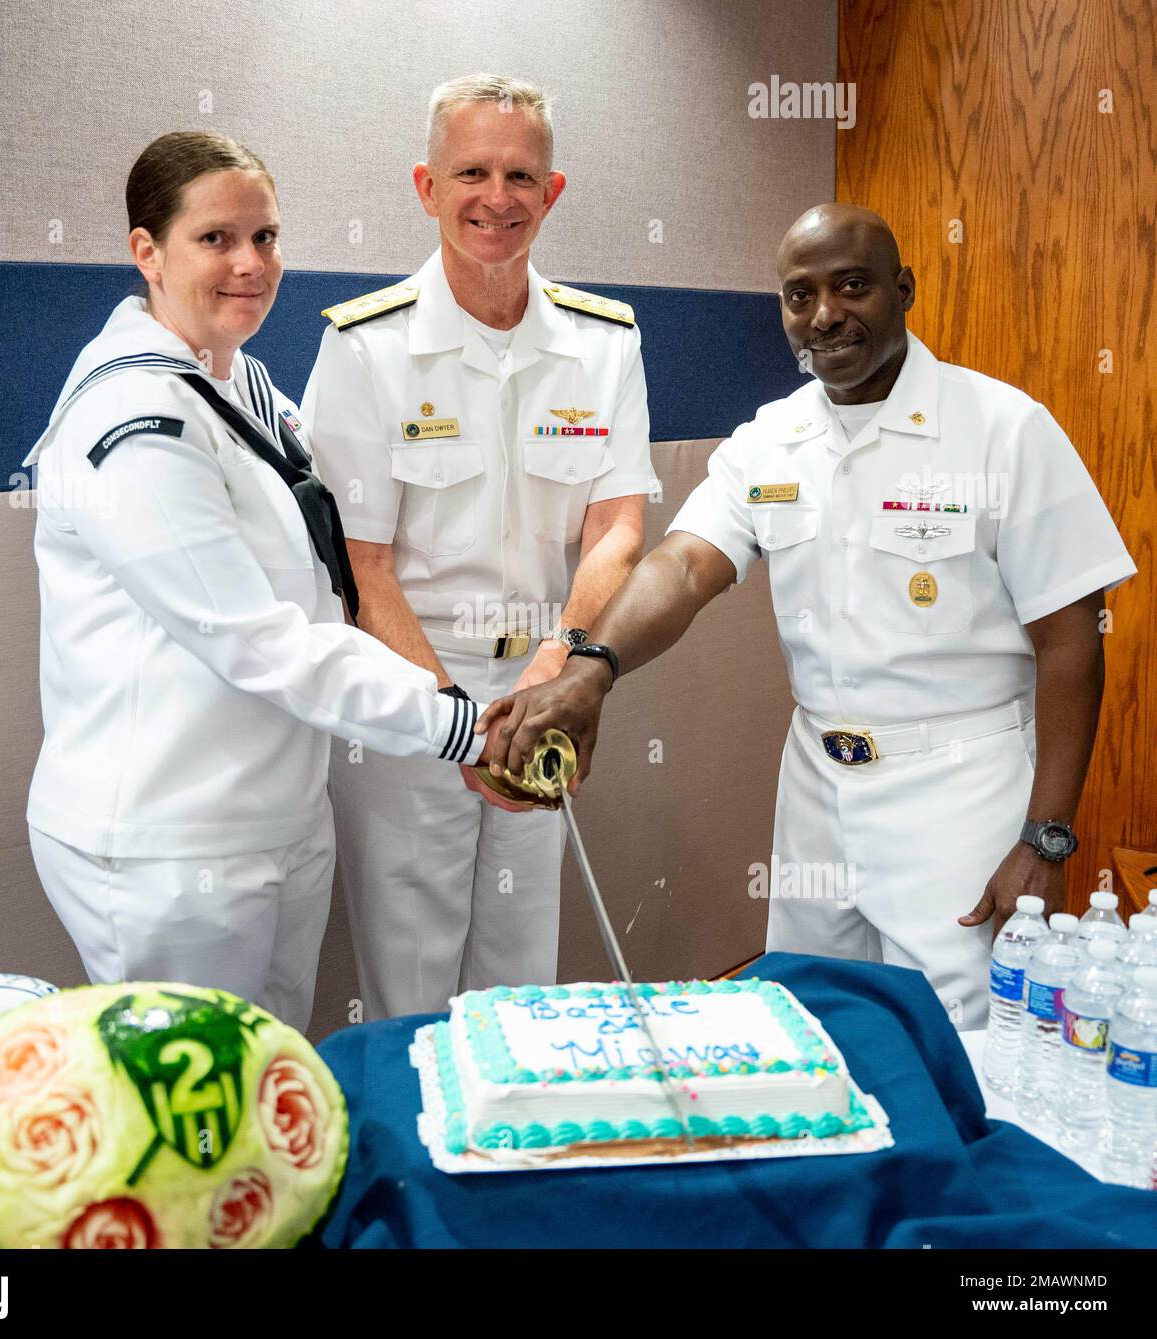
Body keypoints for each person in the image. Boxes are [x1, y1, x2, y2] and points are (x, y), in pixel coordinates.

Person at [478, 203, 1137, 1029]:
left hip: (960, 792)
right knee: (809, 1026)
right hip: (818, 787)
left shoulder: (1003, 431)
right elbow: (682, 566)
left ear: (903, 289)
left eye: (851, 286)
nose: (824, 315)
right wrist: (588, 671)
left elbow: (1070, 639)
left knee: (961, 1044)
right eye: (799, 295)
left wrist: (1046, 839)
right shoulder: (771, 440)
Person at [21, 131, 507, 1034]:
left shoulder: (239, 379)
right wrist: (464, 726)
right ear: (147, 252)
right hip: (170, 843)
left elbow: (326, 578)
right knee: (191, 1131)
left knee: (272, 1089)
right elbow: (264, 641)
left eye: (268, 237)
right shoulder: (136, 419)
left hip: (277, 816)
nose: (251, 264)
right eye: (216, 239)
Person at [301, 74, 656, 1018]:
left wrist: (561, 664)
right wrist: (454, 718)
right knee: (412, 979)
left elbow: (617, 525)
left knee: (521, 971)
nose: (495, 198)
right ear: (426, 186)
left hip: (546, 677)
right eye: (470, 171)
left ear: (553, 191)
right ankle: (421, 1164)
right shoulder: (366, 348)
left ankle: (511, 1153)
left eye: (519, 175)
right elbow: (360, 571)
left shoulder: (605, 340)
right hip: (413, 688)